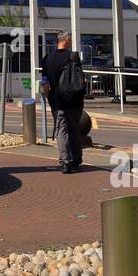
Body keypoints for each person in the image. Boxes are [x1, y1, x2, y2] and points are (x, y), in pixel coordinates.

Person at [41, 32, 85, 173]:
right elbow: (81, 80)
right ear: (67, 40)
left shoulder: (47, 59)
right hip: (74, 101)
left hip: (56, 100)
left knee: (61, 130)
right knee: (74, 129)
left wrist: (49, 98)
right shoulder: (73, 57)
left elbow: (45, 83)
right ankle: (76, 160)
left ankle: (65, 162)